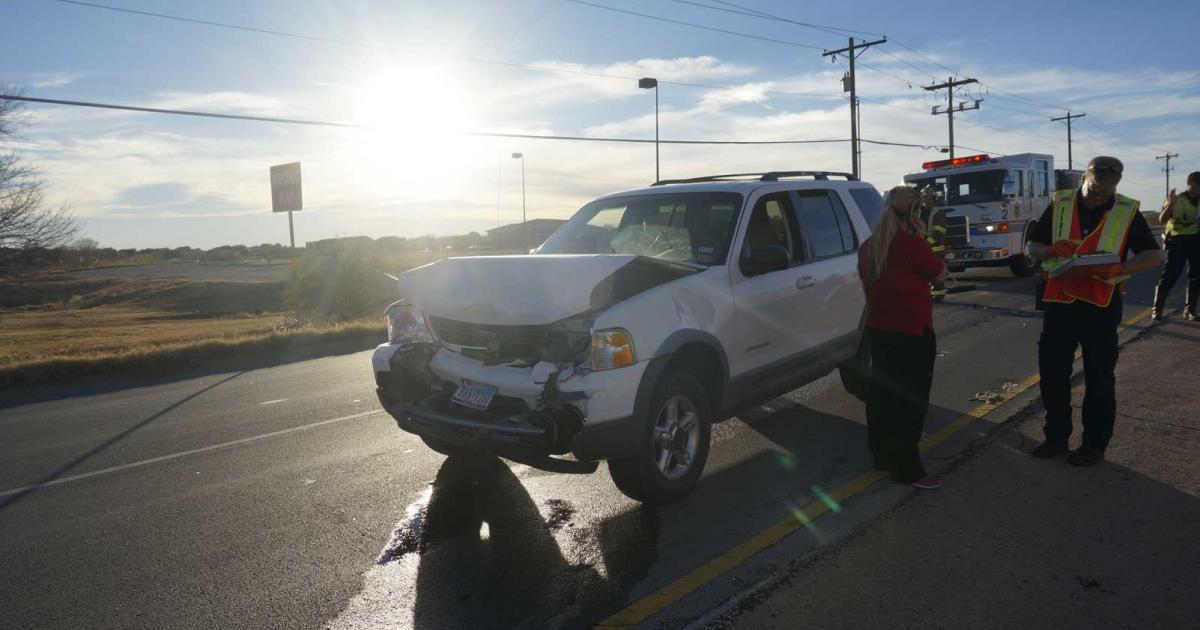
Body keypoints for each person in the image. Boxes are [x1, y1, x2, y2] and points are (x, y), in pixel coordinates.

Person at [1026, 156, 1161, 466]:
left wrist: (1123, 266)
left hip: (1101, 303)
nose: (1102, 196)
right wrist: (1048, 250)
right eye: (1096, 190)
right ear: (1084, 179)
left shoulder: (1126, 210)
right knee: (1052, 374)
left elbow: (1154, 254)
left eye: (1108, 191)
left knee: (1099, 378)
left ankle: (1094, 446)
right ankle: (1056, 438)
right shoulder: (1061, 203)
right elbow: (1032, 246)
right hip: (1060, 302)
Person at [857, 185, 949, 489]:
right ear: (914, 213)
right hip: (913, 331)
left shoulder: (868, 247)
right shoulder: (913, 245)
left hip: (878, 329)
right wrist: (921, 239)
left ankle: (881, 457)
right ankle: (907, 467)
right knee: (910, 401)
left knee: (882, 395)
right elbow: (939, 274)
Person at [1151, 170, 1200, 320]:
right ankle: (1157, 309)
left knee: (1195, 277)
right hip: (1177, 241)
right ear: (1190, 184)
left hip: (1196, 240)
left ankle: (1190, 310)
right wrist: (1170, 204)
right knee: (1169, 276)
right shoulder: (1176, 199)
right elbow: (1162, 219)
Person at [916, 185, 949, 300]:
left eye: (930, 198)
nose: (928, 200)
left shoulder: (937, 212)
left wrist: (926, 244)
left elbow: (938, 232)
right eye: (926, 197)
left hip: (936, 250)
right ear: (922, 199)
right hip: (922, 249)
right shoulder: (918, 212)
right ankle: (928, 294)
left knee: (936, 274)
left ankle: (938, 295)